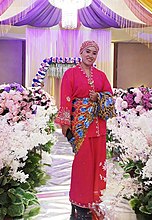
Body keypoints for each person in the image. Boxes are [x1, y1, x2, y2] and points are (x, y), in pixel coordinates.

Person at [55, 40, 115, 219]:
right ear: (81, 52)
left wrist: (99, 97)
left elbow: (110, 99)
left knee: (98, 164)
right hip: (80, 129)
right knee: (82, 165)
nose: (90, 55)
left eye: (94, 53)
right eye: (87, 51)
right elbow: (65, 101)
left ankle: (95, 200)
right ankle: (79, 201)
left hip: (99, 128)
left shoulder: (101, 75)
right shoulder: (70, 74)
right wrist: (67, 129)